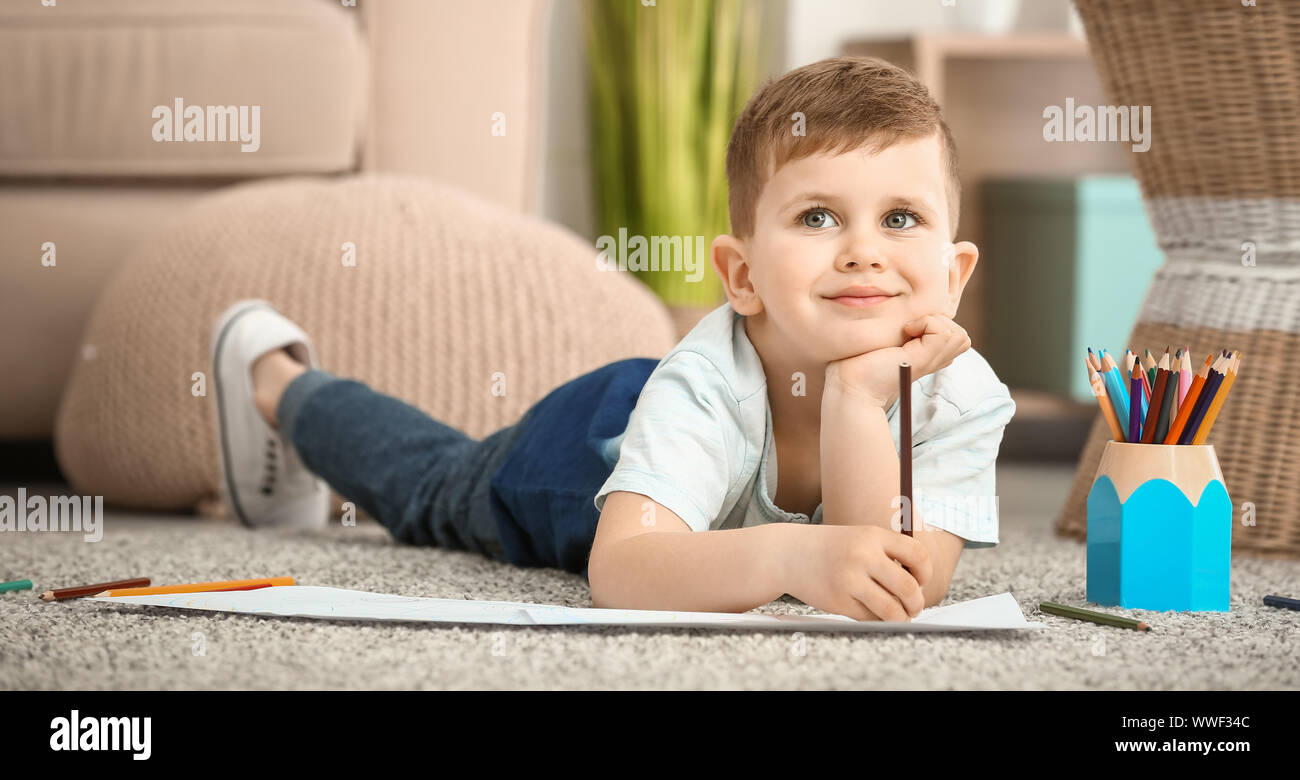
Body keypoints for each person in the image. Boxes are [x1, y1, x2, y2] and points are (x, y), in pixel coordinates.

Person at [210, 56, 1014, 621]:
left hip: (687, 439)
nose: (863, 250)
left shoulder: (964, 395)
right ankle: (276, 382)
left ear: (955, 273)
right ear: (741, 277)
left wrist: (854, 396)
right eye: (816, 217)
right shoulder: (705, 384)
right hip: (592, 442)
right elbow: (624, 568)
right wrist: (793, 558)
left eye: (900, 219)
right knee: (432, 488)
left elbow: (907, 582)